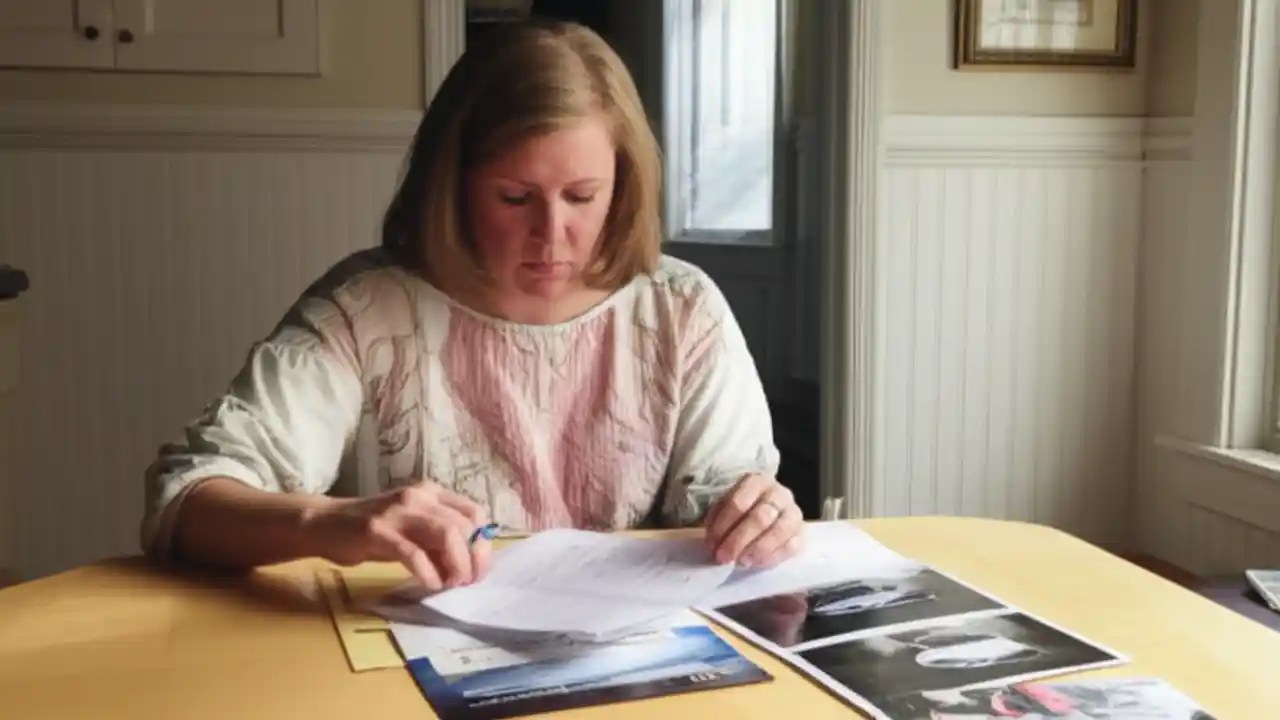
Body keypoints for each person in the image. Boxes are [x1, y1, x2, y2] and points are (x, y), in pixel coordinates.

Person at [140, 20, 803, 592]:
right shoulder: (364, 311)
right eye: (515, 198)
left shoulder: (682, 309)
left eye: (582, 197)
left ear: (623, 185)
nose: (551, 235)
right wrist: (331, 522)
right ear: (452, 185)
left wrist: (757, 516)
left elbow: (728, 496)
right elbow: (187, 500)